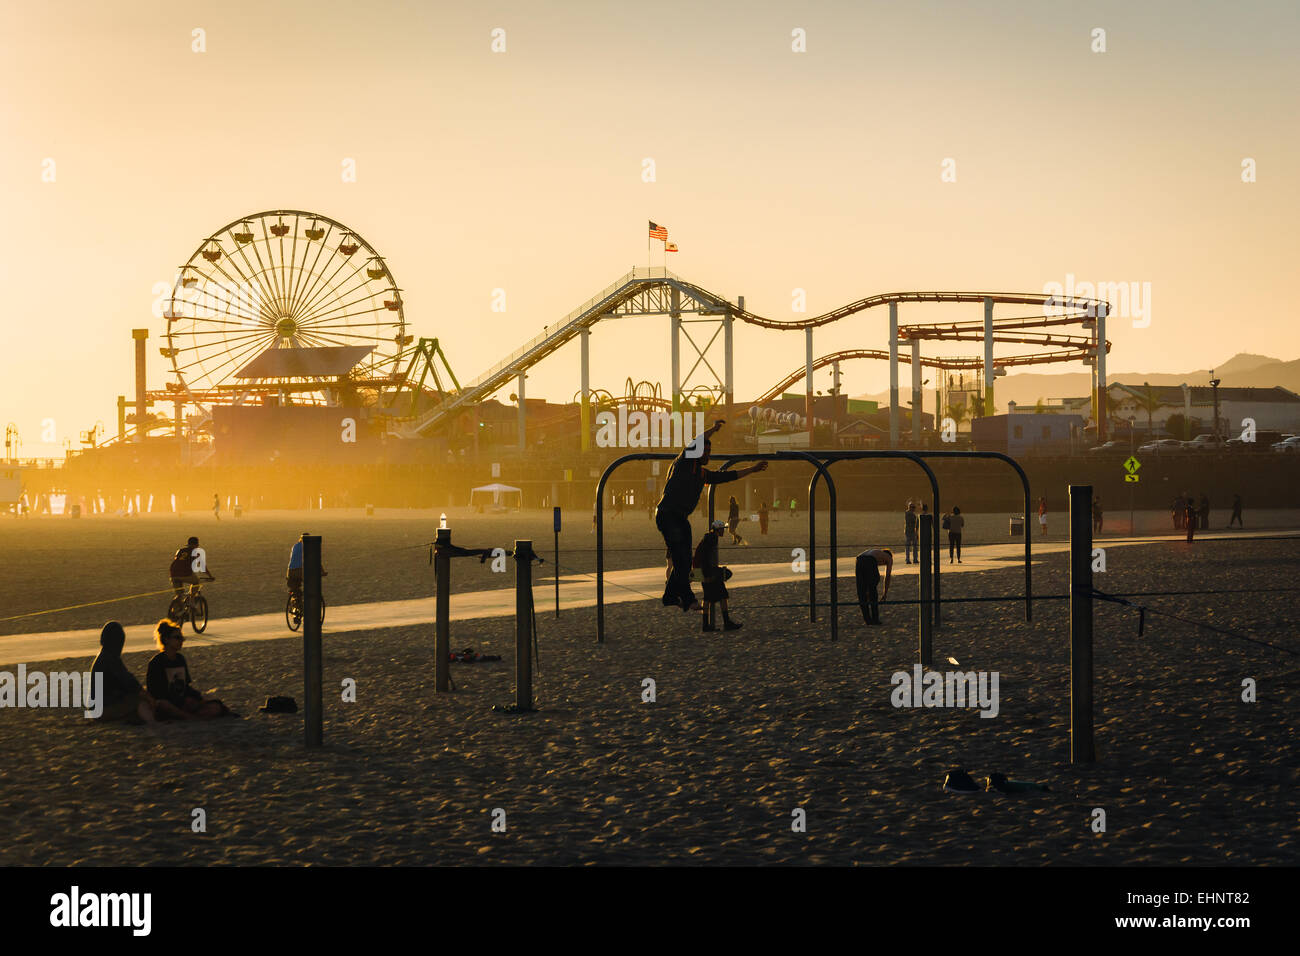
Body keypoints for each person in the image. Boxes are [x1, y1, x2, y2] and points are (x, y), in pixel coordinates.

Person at [655, 421, 768, 613]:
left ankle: (670, 596)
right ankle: (688, 598)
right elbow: (696, 441)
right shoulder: (684, 462)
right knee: (681, 558)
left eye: (709, 451)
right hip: (668, 515)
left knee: (685, 559)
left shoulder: (702, 474)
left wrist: (752, 469)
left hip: (681, 518)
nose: (708, 454)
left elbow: (728, 476)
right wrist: (713, 430)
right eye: (704, 451)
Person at [146, 619, 231, 720]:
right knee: (163, 705)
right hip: (168, 702)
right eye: (177, 638)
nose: (181, 641)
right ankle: (190, 717)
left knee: (214, 705)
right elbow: (155, 693)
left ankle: (191, 715)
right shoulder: (156, 662)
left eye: (182, 638)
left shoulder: (180, 659)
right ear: (166, 639)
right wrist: (180, 700)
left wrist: (198, 698)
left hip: (183, 702)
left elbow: (185, 686)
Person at [90, 621, 154, 723]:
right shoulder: (110, 659)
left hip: (98, 708)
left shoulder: (104, 655)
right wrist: (147, 696)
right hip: (103, 709)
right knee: (140, 701)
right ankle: (153, 721)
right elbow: (128, 681)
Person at [693, 520, 740, 631]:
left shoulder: (709, 537)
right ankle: (727, 622)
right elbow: (705, 557)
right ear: (717, 529)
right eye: (722, 529)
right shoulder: (712, 539)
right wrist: (709, 575)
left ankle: (705, 625)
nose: (724, 531)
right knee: (723, 596)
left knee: (708, 598)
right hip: (709, 572)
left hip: (703, 571)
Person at [854, 547, 893, 625]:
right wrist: (885, 594)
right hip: (869, 560)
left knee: (861, 591)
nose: (881, 565)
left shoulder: (875, 552)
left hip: (859, 560)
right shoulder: (888, 557)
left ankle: (867, 620)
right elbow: (887, 576)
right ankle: (875, 619)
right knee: (873, 588)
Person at [287, 535, 328, 603]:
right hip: (300, 571)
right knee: (309, 584)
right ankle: (308, 604)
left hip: (290, 571)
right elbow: (316, 560)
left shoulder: (295, 546)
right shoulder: (308, 546)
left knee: (294, 588)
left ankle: (295, 603)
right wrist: (322, 572)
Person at [903, 500, 918, 565]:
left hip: (913, 531)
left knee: (914, 546)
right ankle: (908, 559)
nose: (914, 508)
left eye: (914, 507)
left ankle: (915, 559)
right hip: (908, 531)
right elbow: (912, 521)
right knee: (908, 546)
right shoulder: (908, 513)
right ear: (909, 507)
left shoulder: (913, 514)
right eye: (912, 507)